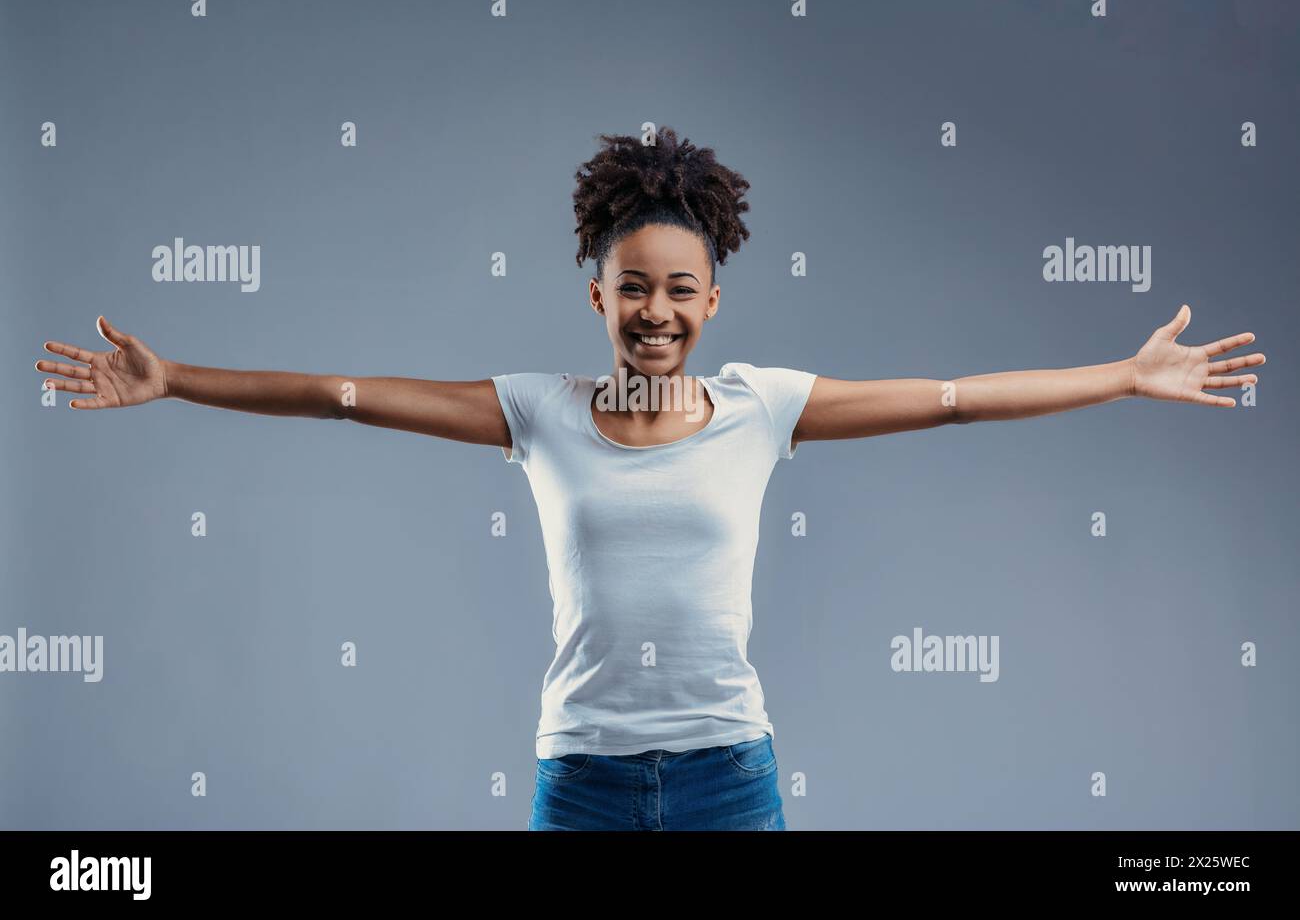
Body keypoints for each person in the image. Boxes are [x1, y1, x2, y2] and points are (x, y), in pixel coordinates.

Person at [34, 127, 1266, 831]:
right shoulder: (537, 414)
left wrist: (1120, 373)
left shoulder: (764, 407)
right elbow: (340, 394)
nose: (656, 310)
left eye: (680, 288)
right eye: (634, 286)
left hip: (730, 771)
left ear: (713, 298)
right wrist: (177, 373)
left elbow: (953, 398)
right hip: (581, 775)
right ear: (598, 296)